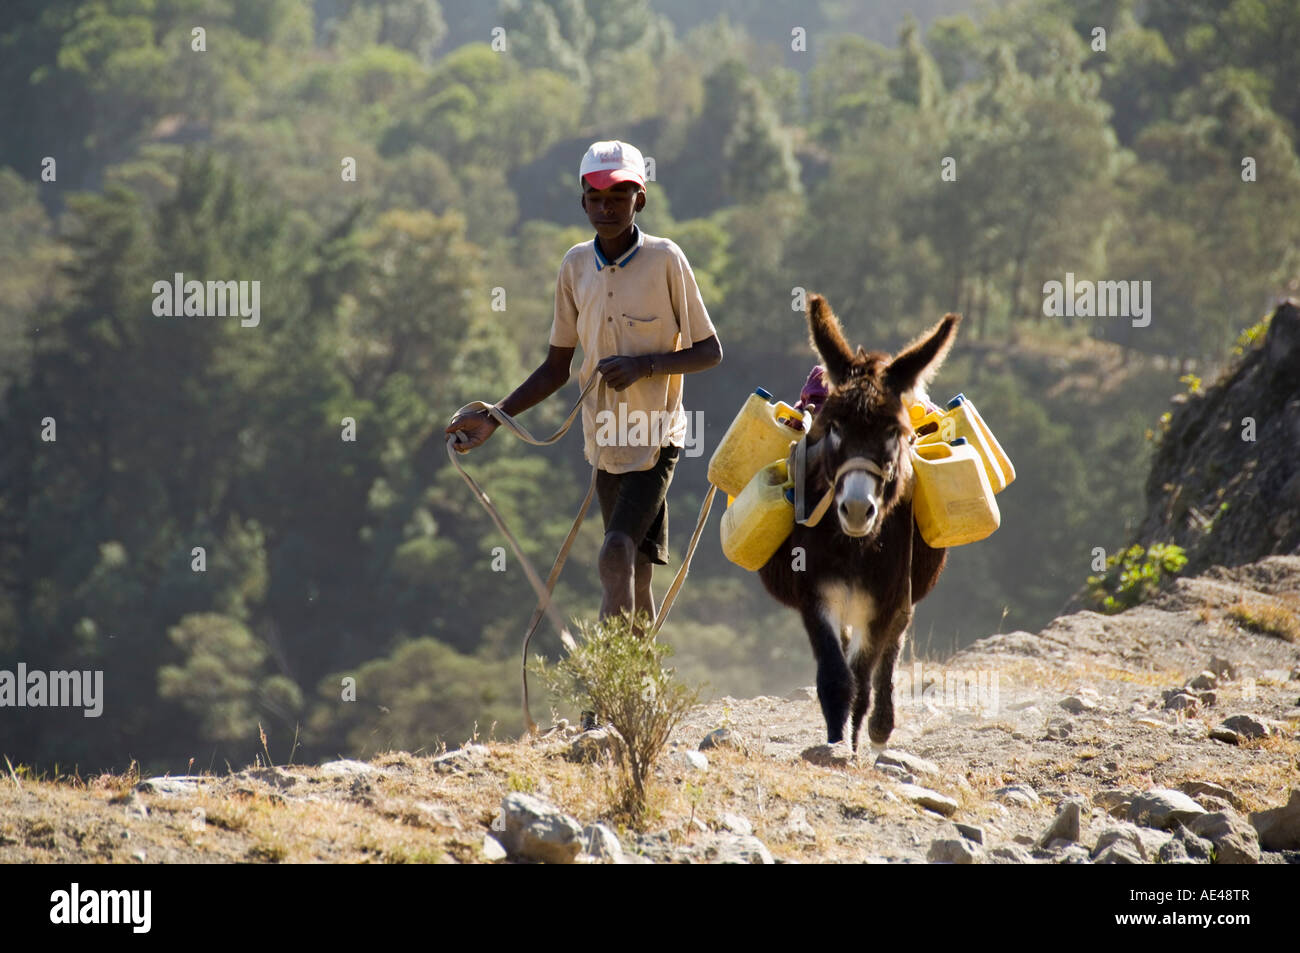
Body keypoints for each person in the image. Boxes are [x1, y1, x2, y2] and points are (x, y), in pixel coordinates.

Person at [445, 139, 723, 634]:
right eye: (596, 197)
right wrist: (494, 417)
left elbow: (708, 351)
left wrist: (647, 366)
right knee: (634, 572)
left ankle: (603, 698)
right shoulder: (575, 267)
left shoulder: (666, 260)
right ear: (583, 202)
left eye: (619, 195)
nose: (606, 206)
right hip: (603, 440)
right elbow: (556, 368)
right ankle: (638, 692)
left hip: (656, 435)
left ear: (640, 199)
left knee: (616, 551)